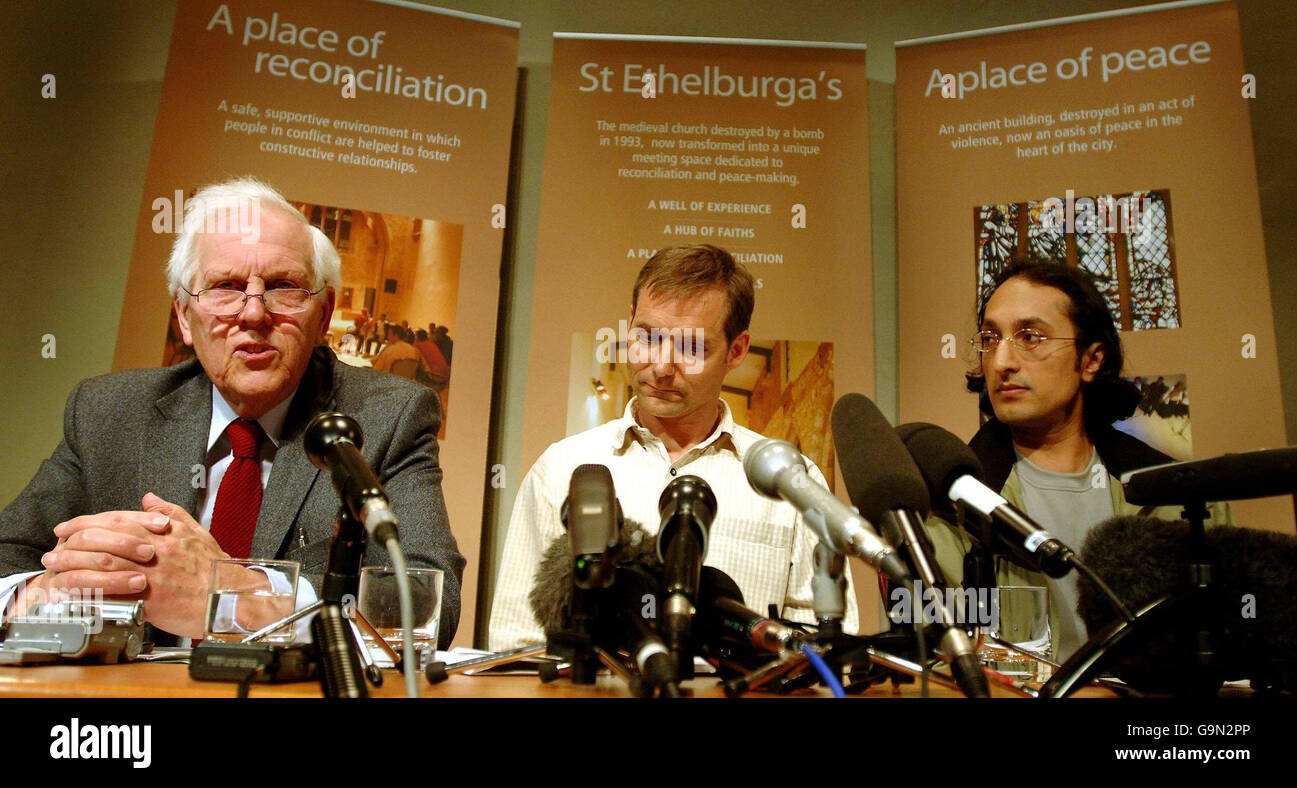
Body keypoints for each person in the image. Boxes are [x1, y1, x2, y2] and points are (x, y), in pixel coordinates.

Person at [0, 177, 464, 646]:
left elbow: (428, 603)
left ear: (323, 317)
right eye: (226, 286)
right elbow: (7, 554)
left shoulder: (388, 416)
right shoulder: (108, 412)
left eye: (284, 287)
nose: (254, 314)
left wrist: (240, 595)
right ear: (183, 316)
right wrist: (44, 592)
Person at [488, 244, 857, 650]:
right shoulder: (560, 469)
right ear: (628, 323)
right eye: (646, 337)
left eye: (691, 347)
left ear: (736, 350)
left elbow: (824, 655)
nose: (662, 366)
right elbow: (515, 643)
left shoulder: (792, 484)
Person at [925, 260, 1228, 660]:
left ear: (1091, 360)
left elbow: (1217, 647)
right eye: (990, 338)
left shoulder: (1178, 498)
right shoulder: (946, 510)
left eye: (1030, 337)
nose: (1001, 362)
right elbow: (931, 662)